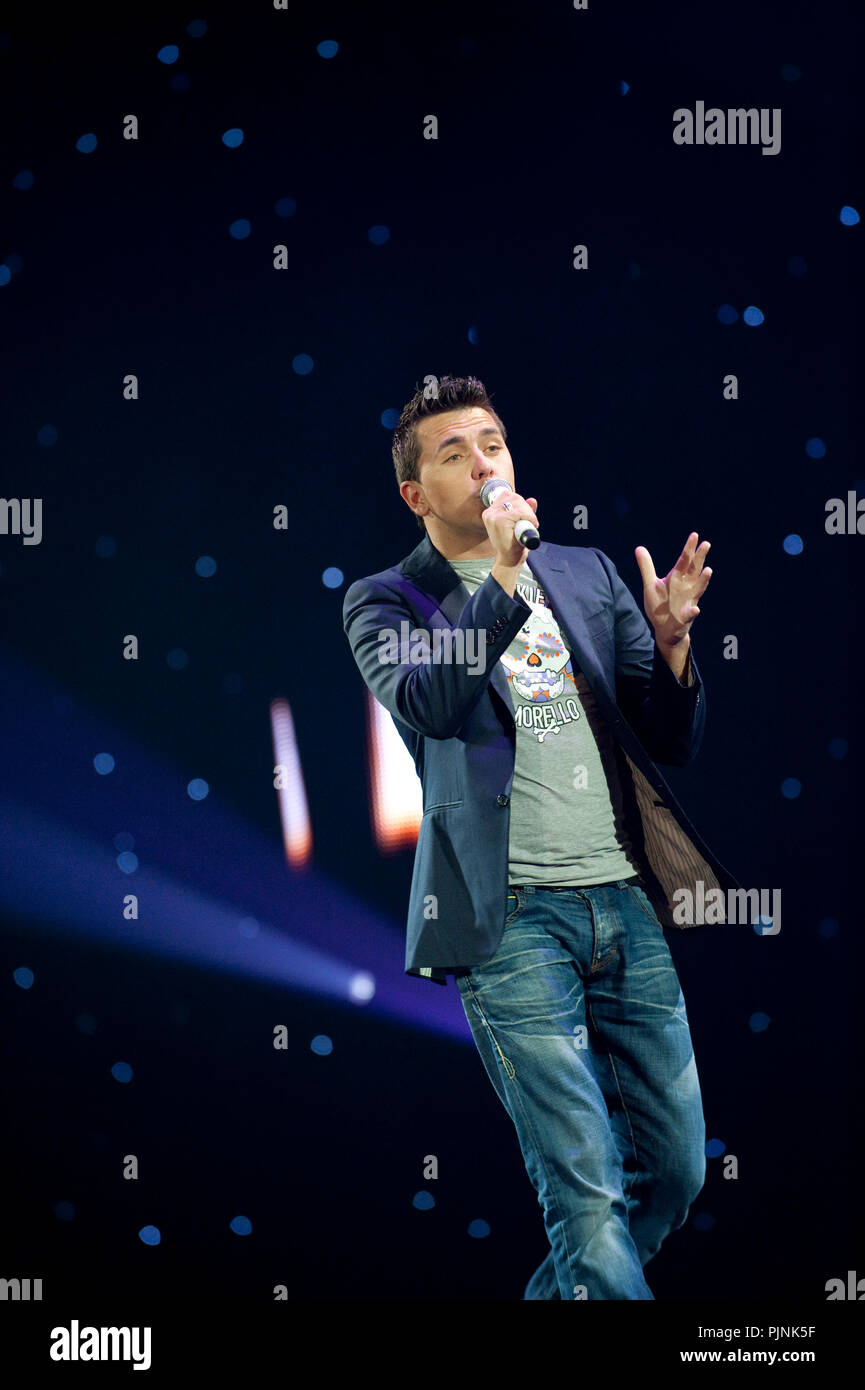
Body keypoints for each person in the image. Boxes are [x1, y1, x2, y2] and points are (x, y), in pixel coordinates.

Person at [342, 374, 741, 1300]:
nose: (484, 464)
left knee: (675, 1175)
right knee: (585, 1193)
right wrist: (503, 579)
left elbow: (669, 739)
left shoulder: (588, 573)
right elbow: (434, 704)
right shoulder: (389, 600)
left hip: (622, 900)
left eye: (492, 444)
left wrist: (673, 644)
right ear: (415, 494)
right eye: (454, 454)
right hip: (509, 919)